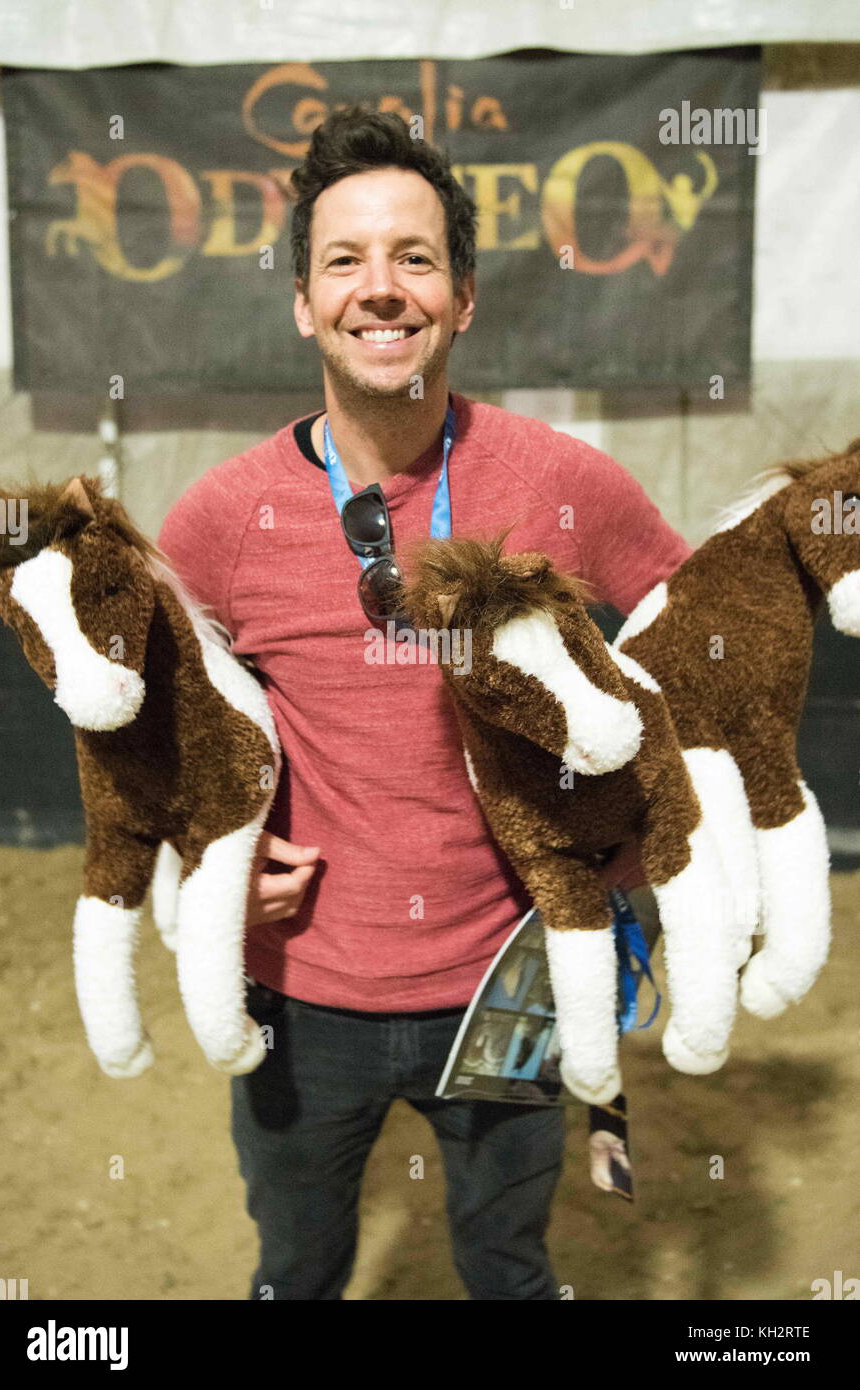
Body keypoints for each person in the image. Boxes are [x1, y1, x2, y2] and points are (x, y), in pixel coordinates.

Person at [157, 105, 692, 1301]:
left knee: (506, 1265)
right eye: (344, 260)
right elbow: (140, 714)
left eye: (415, 258)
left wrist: (642, 815)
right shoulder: (218, 520)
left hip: (515, 977)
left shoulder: (560, 481)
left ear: (462, 297)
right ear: (302, 300)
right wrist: (208, 848)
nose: (380, 289)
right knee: (295, 1270)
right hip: (300, 992)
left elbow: (701, 628)